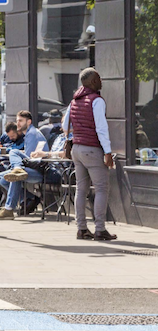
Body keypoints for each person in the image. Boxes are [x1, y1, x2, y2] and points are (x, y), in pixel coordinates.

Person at [64, 68, 117, 241]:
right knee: (101, 188)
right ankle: (100, 229)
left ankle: (82, 229)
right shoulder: (96, 101)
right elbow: (101, 129)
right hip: (93, 149)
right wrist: (107, 152)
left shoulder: (74, 101)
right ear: (93, 82)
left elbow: (65, 126)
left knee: (81, 189)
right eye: (99, 78)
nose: (101, 81)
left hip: (77, 149)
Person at [0, 133, 67, 220]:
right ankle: (28, 196)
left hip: (52, 171)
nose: (18, 123)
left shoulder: (73, 137)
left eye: (20, 121)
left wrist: (45, 154)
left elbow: (66, 154)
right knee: (1, 176)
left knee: (17, 175)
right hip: (40, 165)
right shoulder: (59, 137)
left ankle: (9, 209)